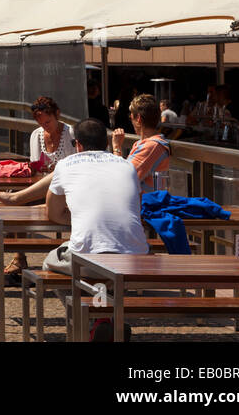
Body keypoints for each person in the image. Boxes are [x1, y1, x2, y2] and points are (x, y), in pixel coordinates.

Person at [43, 117, 149, 340]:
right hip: (136, 257)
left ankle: (87, 318)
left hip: (90, 259)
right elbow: (136, 208)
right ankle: (106, 317)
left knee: (49, 263)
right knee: (108, 267)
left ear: (78, 144)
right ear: (107, 143)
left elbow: (51, 213)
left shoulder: (66, 165)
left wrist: (77, 216)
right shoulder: (128, 166)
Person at [111, 93, 171, 193]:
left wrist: (116, 147)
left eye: (131, 117)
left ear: (138, 119)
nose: (131, 120)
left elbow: (123, 180)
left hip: (143, 207)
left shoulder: (152, 146)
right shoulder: (143, 143)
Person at [27, 95, 75, 173]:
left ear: (57, 114)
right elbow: (34, 166)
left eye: (47, 122)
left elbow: (77, 165)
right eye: (41, 123)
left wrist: (57, 169)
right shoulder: (35, 135)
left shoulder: (71, 133)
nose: (45, 127)